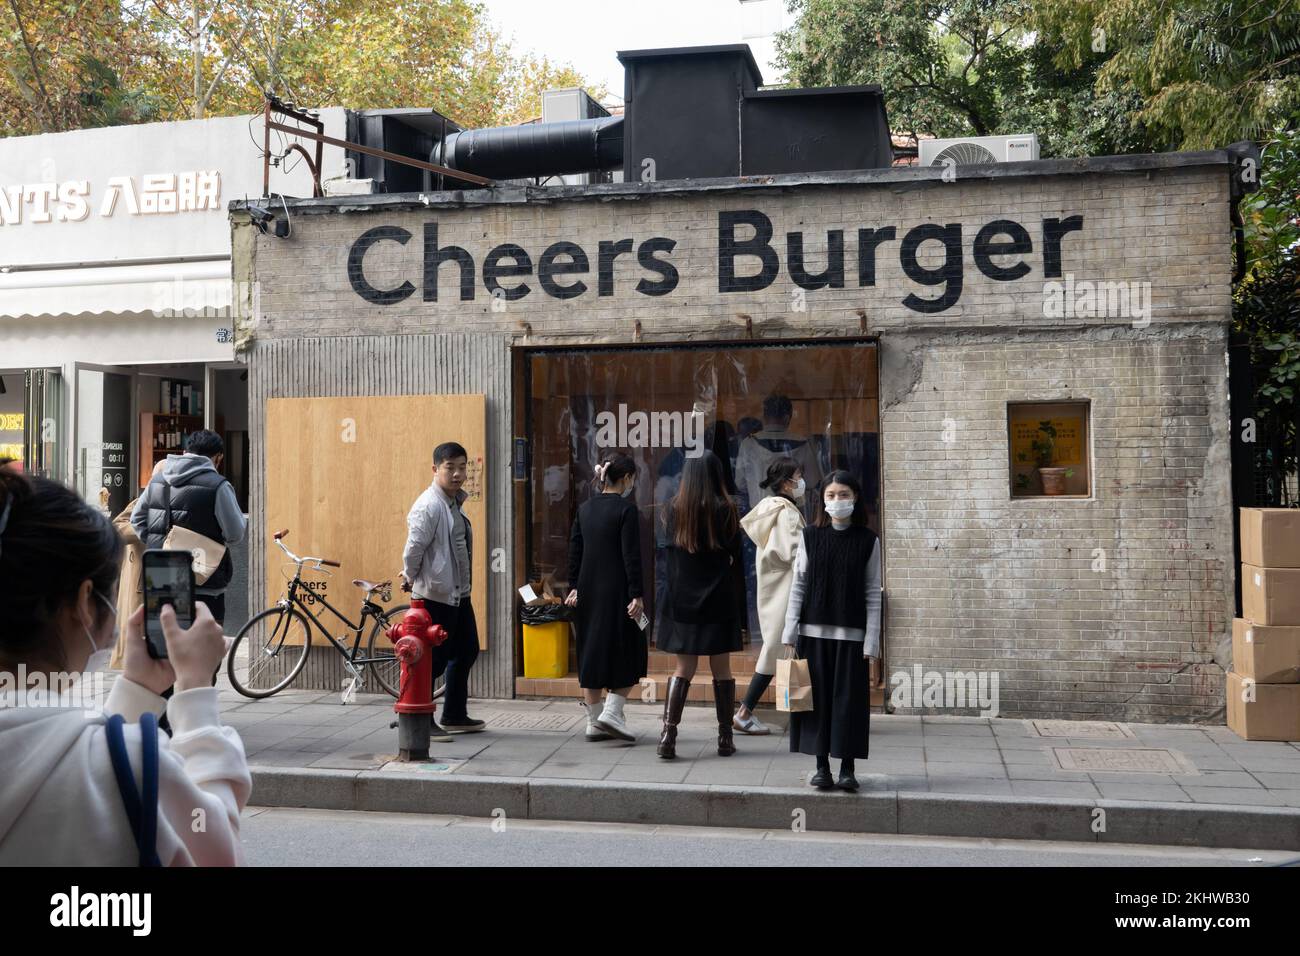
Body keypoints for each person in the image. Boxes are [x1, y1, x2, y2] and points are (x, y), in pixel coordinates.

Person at [0, 469, 250, 865]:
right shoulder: (134, 763)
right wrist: (197, 695)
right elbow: (216, 851)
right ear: (85, 601)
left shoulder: (107, 756)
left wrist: (137, 691)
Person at [781, 471, 882, 792]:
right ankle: (821, 766)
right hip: (812, 635)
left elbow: (871, 592)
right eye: (831, 495)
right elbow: (798, 585)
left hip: (851, 638)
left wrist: (872, 641)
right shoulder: (810, 536)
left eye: (843, 494)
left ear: (855, 498)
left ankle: (847, 769)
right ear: (822, 500)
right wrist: (789, 631)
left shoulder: (868, 540)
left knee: (848, 705)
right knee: (815, 704)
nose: (837, 501)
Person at [656, 449, 743, 759]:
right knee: (722, 669)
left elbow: (666, 553)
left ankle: (668, 733)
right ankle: (724, 738)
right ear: (715, 474)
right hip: (718, 598)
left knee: (684, 668)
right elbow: (734, 553)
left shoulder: (671, 509)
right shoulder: (728, 509)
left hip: (682, 600)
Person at [401, 441, 485, 738]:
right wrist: (410, 576)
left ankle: (454, 714)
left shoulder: (452, 503)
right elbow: (414, 548)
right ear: (436, 469)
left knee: (466, 650)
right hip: (435, 595)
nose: (458, 474)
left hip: (458, 594)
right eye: (450, 468)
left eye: (462, 467)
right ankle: (418, 718)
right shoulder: (429, 505)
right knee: (431, 661)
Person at [565, 451, 646, 742]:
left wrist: (573, 586)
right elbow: (631, 557)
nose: (632, 484)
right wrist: (637, 593)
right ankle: (612, 712)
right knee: (629, 647)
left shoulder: (585, 509)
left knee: (592, 651)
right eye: (632, 479)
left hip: (586, 590)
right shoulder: (626, 511)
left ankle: (594, 721)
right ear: (625, 479)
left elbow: (574, 551)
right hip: (618, 591)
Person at [130, 429, 247, 627]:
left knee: (165, 646)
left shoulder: (158, 481)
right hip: (203, 580)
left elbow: (137, 520)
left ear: (185, 452)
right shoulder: (219, 486)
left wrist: (161, 543)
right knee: (204, 651)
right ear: (218, 457)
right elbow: (235, 534)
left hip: (163, 577)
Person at [734, 456, 806, 735]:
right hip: (788, 591)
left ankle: (803, 713)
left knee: (781, 650)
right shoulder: (786, 512)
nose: (801, 482)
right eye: (798, 476)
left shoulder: (768, 508)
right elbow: (798, 554)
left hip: (772, 589)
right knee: (778, 649)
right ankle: (744, 712)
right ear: (787, 483)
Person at [110, 458, 168, 671]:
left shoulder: (178, 499)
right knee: (137, 633)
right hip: (140, 579)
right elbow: (118, 528)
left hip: (166, 574)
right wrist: (148, 530)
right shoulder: (143, 501)